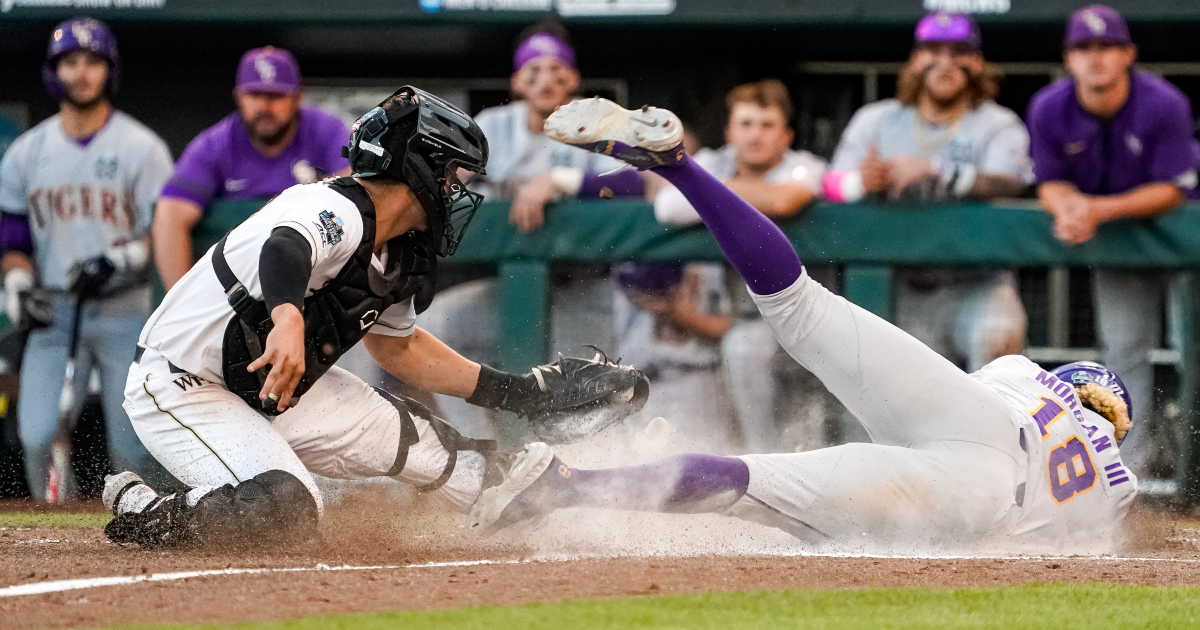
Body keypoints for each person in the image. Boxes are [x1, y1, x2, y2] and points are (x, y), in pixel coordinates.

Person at [471, 97, 1138, 554]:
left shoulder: (1027, 379)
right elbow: (1091, 519)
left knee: (797, 308)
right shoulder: (1118, 487)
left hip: (976, 424)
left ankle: (679, 166)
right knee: (753, 481)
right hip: (979, 498)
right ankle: (569, 486)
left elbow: (1015, 392)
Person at [99, 87, 644, 549]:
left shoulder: (403, 251)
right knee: (285, 507)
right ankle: (146, 508)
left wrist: (517, 392)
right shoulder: (335, 206)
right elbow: (284, 249)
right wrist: (287, 318)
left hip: (272, 383)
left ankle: (550, 501)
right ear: (420, 167)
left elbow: (399, 349)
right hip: (181, 382)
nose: (459, 190)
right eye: (454, 175)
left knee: (422, 445)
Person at [418, 21, 637, 438]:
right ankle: (475, 444)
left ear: (573, 79)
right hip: (510, 284)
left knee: (586, 395)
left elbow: (634, 184)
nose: (546, 79)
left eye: (557, 70)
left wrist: (559, 180)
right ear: (518, 81)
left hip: (584, 290)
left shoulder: (600, 123)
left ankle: (597, 478)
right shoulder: (494, 125)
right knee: (436, 327)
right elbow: (445, 178)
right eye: (534, 71)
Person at [0, 18, 175, 502]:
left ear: (108, 70)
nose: (81, 72)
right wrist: (17, 282)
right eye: (70, 62)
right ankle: (61, 538)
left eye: (92, 61)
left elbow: (165, 229)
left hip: (126, 309)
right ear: (54, 73)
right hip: (54, 312)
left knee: (133, 447)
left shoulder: (142, 148)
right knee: (37, 437)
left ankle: (155, 521)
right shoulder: (26, 152)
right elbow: (13, 237)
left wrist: (122, 257)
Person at [1027, 5, 1200, 477]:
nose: (1095, 57)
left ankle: (1193, 471)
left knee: (1193, 351)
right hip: (1118, 245)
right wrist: (1066, 207)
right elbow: (1051, 182)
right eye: (1084, 48)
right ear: (1069, 58)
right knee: (1124, 352)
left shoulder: (1163, 102)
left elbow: (1173, 188)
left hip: (1183, 242)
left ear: (1128, 54)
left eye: (1107, 46)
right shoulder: (1049, 107)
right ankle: (1136, 475)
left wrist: (1095, 210)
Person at [823, 11, 1032, 374]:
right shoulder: (877, 120)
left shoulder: (998, 123)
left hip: (979, 284)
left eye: (959, 52)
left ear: (977, 63)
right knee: (888, 394)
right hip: (901, 288)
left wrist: (939, 171)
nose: (945, 62)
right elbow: (828, 184)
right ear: (916, 60)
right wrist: (861, 182)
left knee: (999, 338)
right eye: (933, 50)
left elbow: (1011, 181)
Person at [651, 79, 831, 454]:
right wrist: (739, 190)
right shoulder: (712, 163)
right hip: (724, 317)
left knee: (749, 353)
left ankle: (766, 466)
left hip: (795, 322)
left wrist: (708, 191)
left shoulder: (805, 166)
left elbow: (785, 199)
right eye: (746, 125)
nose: (755, 136)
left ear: (786, 136)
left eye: (767, 126)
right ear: (730, 132)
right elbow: (667, 205)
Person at [153, 46, 350, 291]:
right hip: (237, 284)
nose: (264, 106)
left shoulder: (325, 130)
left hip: (316, 278)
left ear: (297, 98)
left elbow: (354, 198)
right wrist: (180, 299)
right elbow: (170, 214)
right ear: (238, 97)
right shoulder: (216, 143)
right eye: (255, 95)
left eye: (276, 96)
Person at [611, 262, 735, 455]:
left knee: (697, 462)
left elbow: (728, 330)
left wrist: (678, 310)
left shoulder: (707, 260)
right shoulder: (627, 253)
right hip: (636, 383)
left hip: (692, 379)